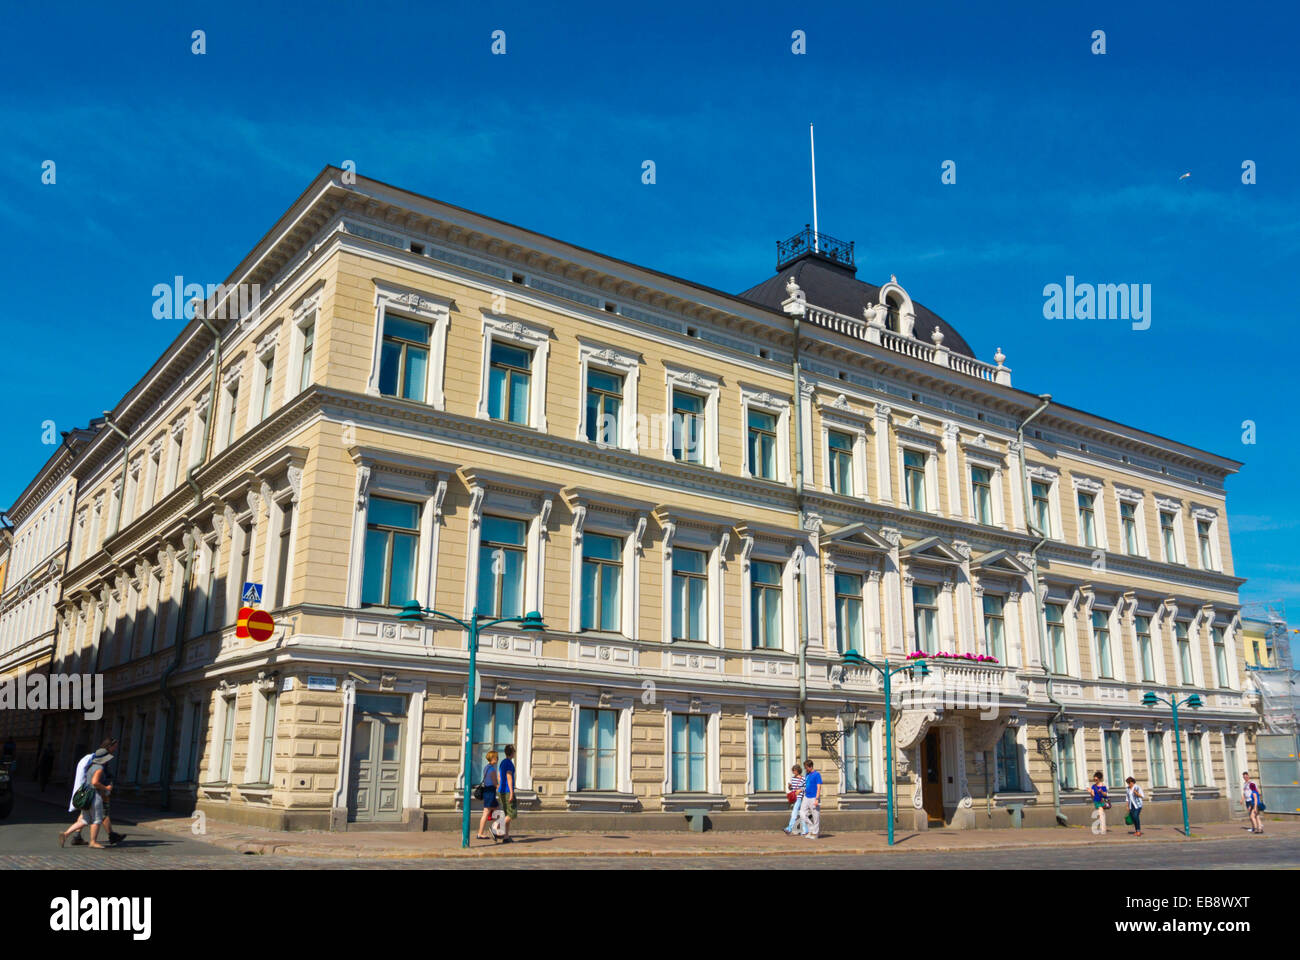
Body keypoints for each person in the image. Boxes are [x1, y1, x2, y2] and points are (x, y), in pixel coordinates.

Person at [59, 741, 99, 847]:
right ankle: (68, 834)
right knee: (90, 818)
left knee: (83, 816)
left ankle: (76, 836)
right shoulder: (94, 762)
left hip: (83, 791)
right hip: (87, 792)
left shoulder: (86, 759)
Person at [86, 747, 116, 849]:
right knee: (97, 819)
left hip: (88, 794)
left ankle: (66, 834)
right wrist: (106, 787)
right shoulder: (99, 768)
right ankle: (93, 841)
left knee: (83, 820)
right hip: (95, 795)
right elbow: (95, 782)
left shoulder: (91, 766)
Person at [476, 750, 500, 841]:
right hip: (490, 792)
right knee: (491, 813)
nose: (497, 759)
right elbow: (494, 783)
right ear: (493, 758)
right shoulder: (492, 769)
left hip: (487, 791)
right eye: (496, 757)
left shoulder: (486, 767)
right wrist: (501, 788)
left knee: (491, 812)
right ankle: (492, 831)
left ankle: (482, 833)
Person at [498, 744, 517, 843]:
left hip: (501, 790)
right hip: (507, 791)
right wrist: (511, 793)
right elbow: (509, 777)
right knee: (512, 813)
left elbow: (499, 777)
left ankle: (506, 836)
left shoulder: (502, 763)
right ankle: (496, 828)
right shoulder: (509, 763)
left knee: (506, 814)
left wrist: (499, 787)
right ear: (512, 753)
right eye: (514, 751)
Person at [800, 759, 822, 839]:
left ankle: (815, 833)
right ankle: (811, 829)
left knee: (815, 816)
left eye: (806, 767)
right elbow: (805, 785)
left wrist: (817, 799)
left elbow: (819, 787)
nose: (805, 769)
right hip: (806, 796)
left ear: (810, 766)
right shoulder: (807, 775)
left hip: (814, 797)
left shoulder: (817, 774)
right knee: (802, 813)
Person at [784, 764, 806, 835]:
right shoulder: (793, 778)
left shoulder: (803, 778)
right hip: (794, 798)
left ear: (798, 771)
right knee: (801, 814)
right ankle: (805, 830)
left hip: (799, 798)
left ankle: (789, 828)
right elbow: (791, 789)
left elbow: (806, 787)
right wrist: (789, 786)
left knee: (794, 812)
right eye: (793, 771)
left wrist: (800, 790)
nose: (793, 772)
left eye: (794, 771)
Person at [1090, 770, 1109, 835]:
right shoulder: (1093, 786)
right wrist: (1090, 792)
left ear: (1099, 779)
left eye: (1096, 779)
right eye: (1094, 779)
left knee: (1101, 814)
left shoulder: (1103, 786)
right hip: (1096, 801)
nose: (1095, 781)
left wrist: (1101, 792)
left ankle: (1103, 830)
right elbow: (1093, 795)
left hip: (1102, 801)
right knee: (1101, 815)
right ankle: (1103, 828)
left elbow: (1105, 794)